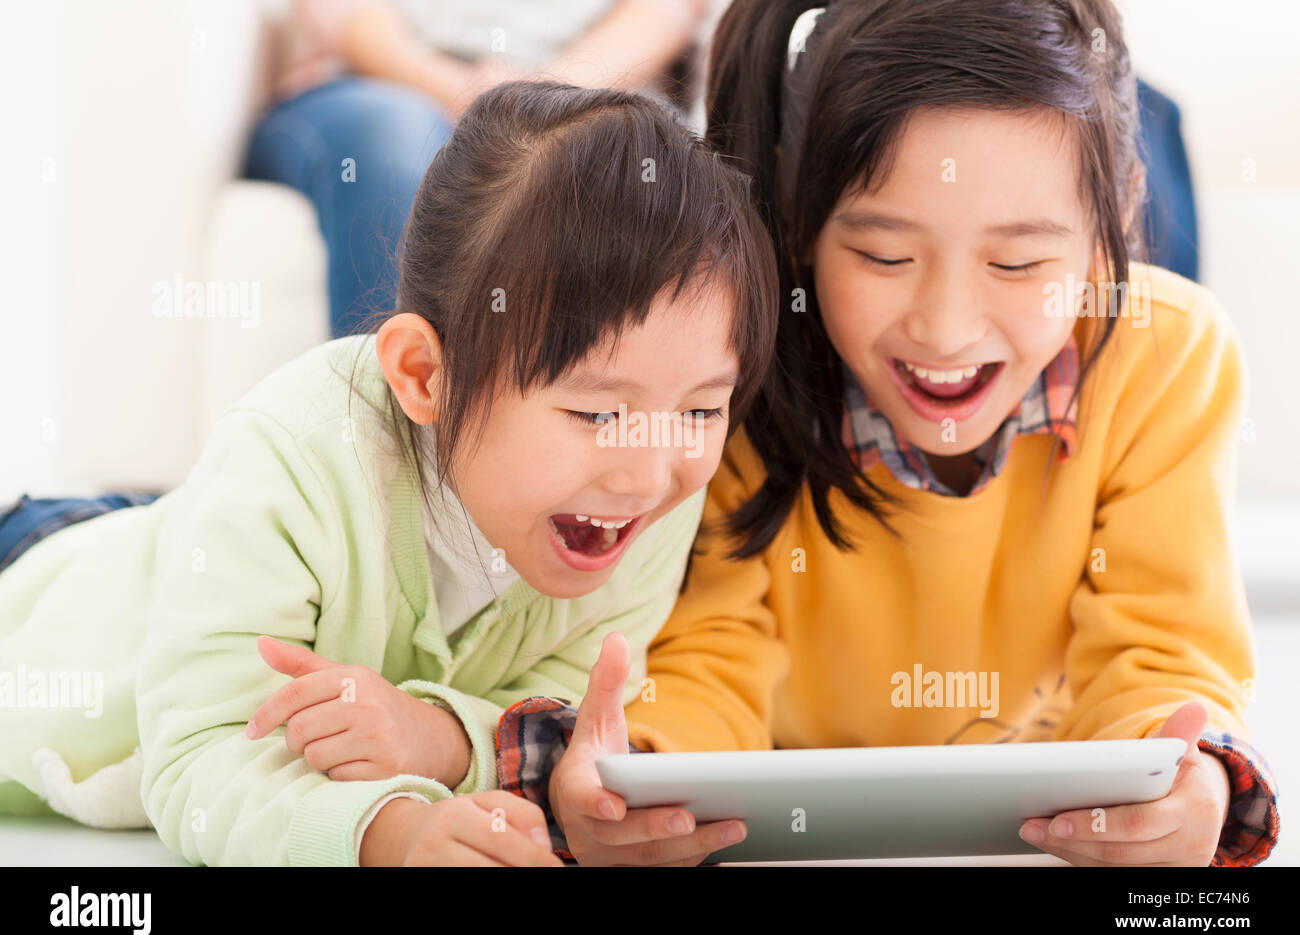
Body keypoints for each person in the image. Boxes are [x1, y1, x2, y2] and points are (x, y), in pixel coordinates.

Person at [530, 0, 1279, 867]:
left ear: (1106, 238)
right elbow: (711, 651)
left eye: (1018, 263)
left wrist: (1183, 781)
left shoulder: (1167, 355)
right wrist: (650, 775)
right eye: (884, 257)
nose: (947, 330)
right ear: (800, 227)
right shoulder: (734, 358)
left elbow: (1163, 653)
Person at [0, 79, 778, 866]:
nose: (648, 473)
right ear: (423, 373)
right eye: (597, 415)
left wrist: (436, 738)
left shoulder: (649, 499)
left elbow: (559, 702)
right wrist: (392, 835)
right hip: (45, 592)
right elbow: (200, 757)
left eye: (699, 413)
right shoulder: (290, 456)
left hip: (177, 525)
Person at [244, 0, 708, 338]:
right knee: (396, 142)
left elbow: (665, 9)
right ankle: (386, 443)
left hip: (590, 87)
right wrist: (465, 93)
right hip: (383, 85)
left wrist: (545, 97)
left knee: (643, 156)